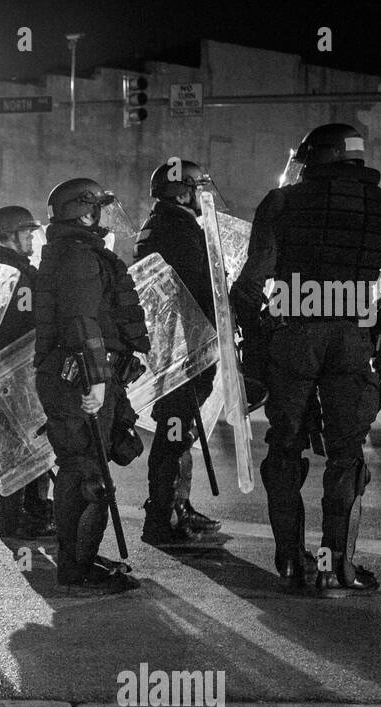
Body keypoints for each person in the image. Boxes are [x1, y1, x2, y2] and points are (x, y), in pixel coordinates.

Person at [231, 124, 381, 593]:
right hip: (354, 341)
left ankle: (291, 562)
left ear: (316, 157)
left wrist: (255, 351)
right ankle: (338, 565)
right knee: (345, 455)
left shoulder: (281, 203)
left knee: (285, 447)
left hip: (292, 334)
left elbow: (247, 288)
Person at [34, 177, 151, 593]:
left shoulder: (75, 254)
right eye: (97, 209)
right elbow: (82, 325)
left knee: (86, 469)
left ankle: (79, 559)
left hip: (81, 376)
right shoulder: (78, 258)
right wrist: (98, 383)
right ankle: (76, 571)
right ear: (83, 212)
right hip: (79, 380)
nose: (103, 217)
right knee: (85, 474)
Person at [135, 160, 223, 545]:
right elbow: (196, 290)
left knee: (180, 430)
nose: (204, 194)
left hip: (177, 347)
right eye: (198, 187)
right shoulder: (177, 229)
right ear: (184, 192)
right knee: (173, 431)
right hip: (182, 350)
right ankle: (162, 517)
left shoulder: (162, 225)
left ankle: (176, 507)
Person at [0, 205, 54, 539]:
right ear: (7, 237)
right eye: (26, 233)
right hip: (18, 371)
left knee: (16, 442)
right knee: (26, 443)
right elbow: (23, 325)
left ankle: (16, 516)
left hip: (6, 372)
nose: (32, 239)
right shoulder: (15, 275)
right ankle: (24, 518)